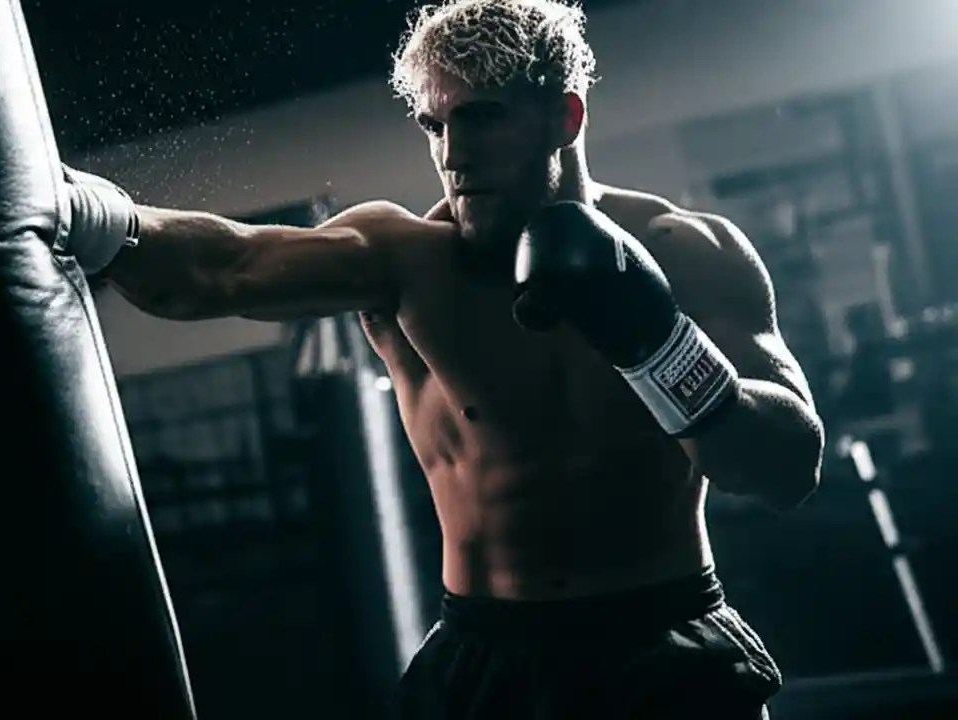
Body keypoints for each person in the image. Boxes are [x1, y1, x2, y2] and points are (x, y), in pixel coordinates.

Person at [59, 1, 825, 716]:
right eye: (435, 125)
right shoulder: (404, 263)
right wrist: (91, 217)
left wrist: (658, 342)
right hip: (490, 658)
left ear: (565, 115)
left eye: (482, 118)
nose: (453, 155)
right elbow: (226, 268)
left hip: (663, 643)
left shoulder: (689, 253)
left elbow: (790, 465)